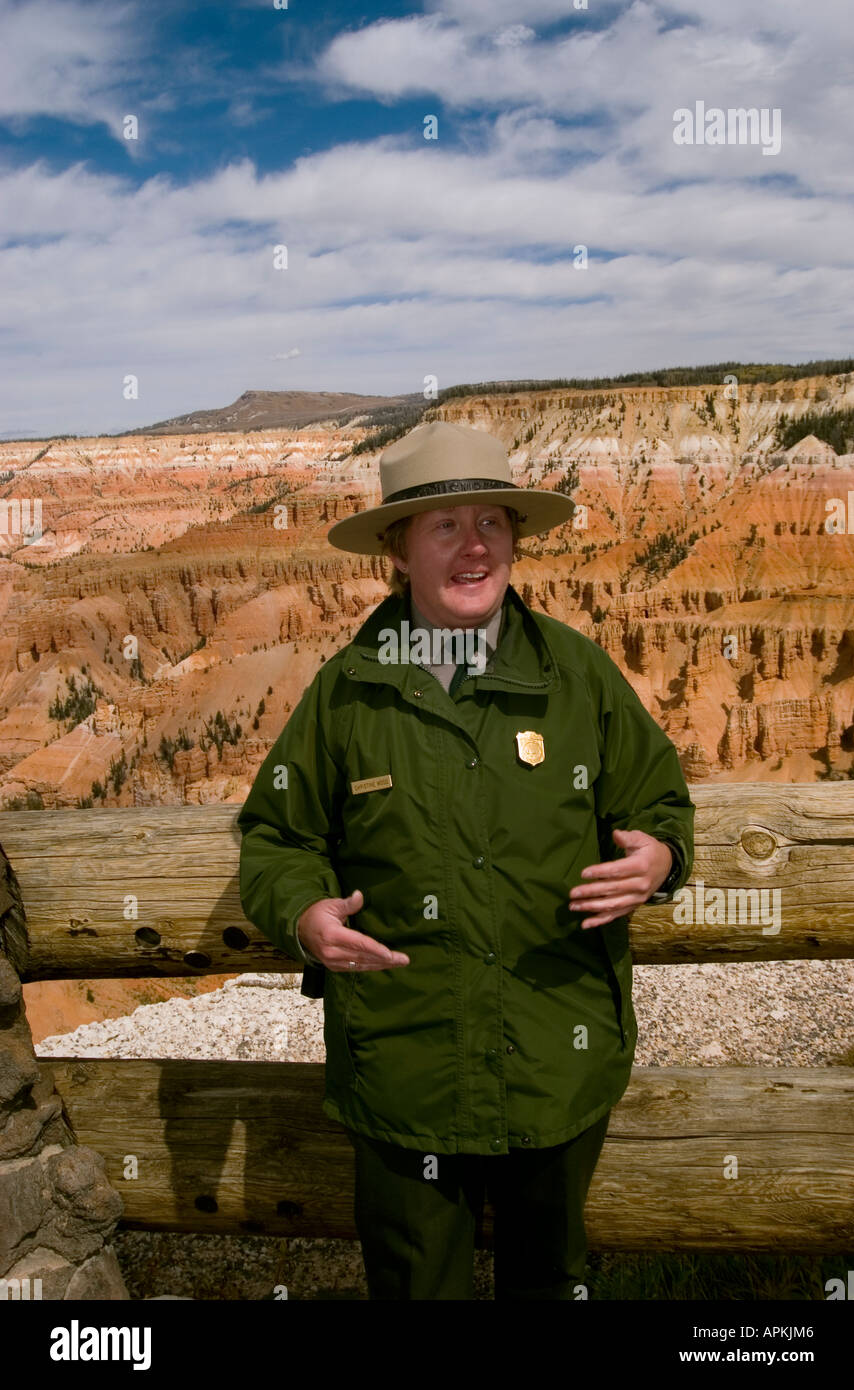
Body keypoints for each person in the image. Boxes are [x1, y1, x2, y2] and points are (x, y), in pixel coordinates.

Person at [237, 419, 695, 1300]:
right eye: (445, 525)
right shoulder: (346, 695)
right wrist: (303, 914)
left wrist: (662, 858)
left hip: (555, 1058)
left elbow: (659, 804)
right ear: (398, 551)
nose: (474, 545)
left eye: (491, 521)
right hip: (405, 1072)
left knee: (549, 1281)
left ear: (515, 540)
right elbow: (277, 836)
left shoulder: (578, 677)